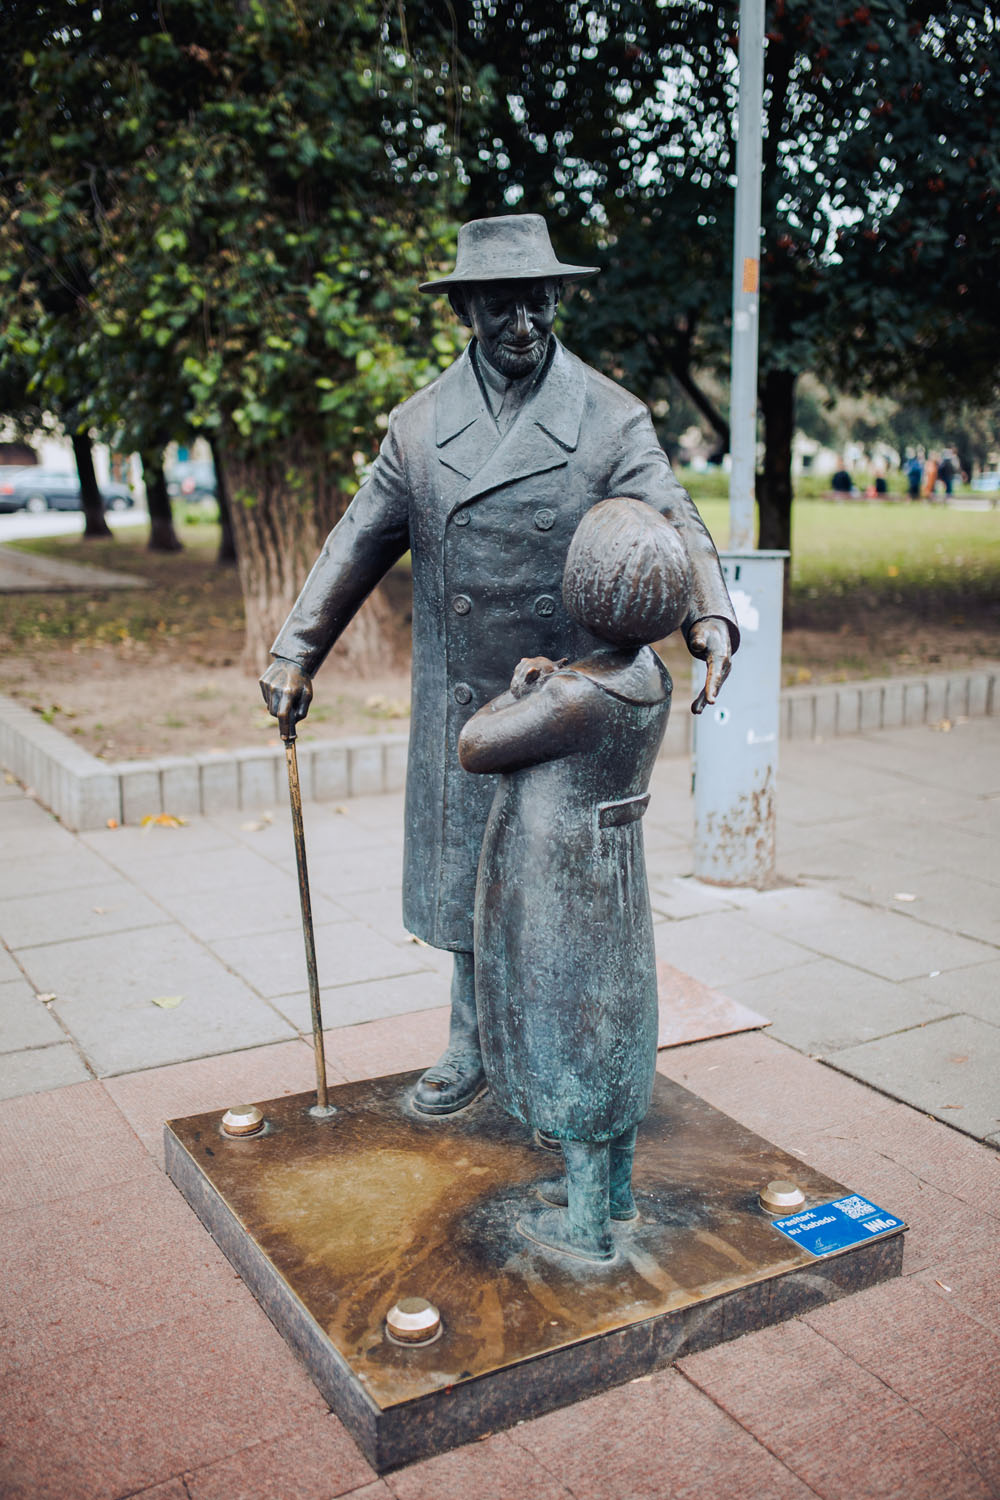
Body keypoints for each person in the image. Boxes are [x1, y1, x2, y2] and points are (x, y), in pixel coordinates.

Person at [259, 214, 738, 1116]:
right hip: (464, 692)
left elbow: (673, 517)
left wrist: (707, 615)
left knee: (558, 894)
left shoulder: (609, 417)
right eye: (502, 307)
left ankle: (565, 1059)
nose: (524, 324)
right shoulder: (419, 427)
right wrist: (296, 650)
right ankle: (472, 1040)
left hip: (560, 694)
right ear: (465, 310)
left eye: (539, 302)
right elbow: (358, 540)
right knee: (464, 882)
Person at [458, 498, 689, 1261]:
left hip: (554, 886)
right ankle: (615, 1192)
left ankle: (586, 1227)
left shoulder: (571, 699)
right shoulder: (651, 676)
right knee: (613, 1022)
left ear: (583, 587)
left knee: (568, 1028)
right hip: (615, 879)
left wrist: (521, 690)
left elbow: (475, 744)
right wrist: (551, 679)